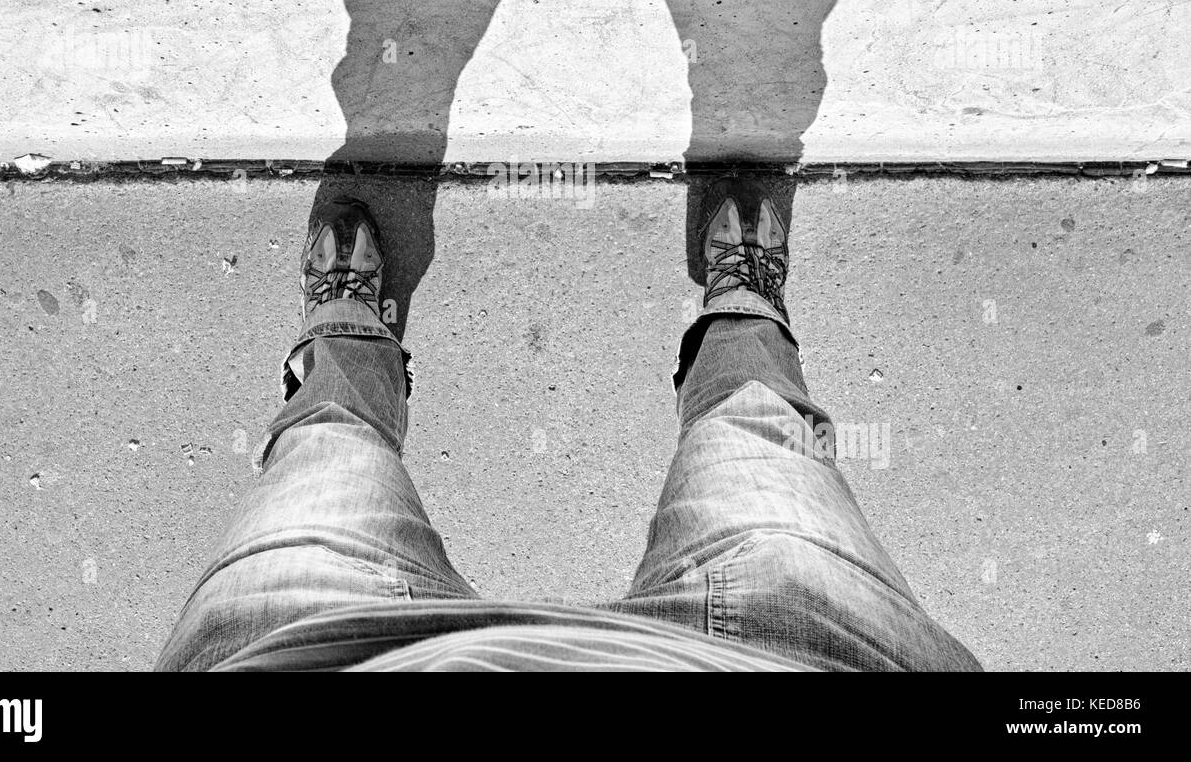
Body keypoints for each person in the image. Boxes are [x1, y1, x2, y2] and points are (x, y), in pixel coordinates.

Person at [156, 178, 981, 671]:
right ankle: (744, 306)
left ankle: (347, 340)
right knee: (757, 431)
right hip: (786, 651)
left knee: (326, 448)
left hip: (322, 649)